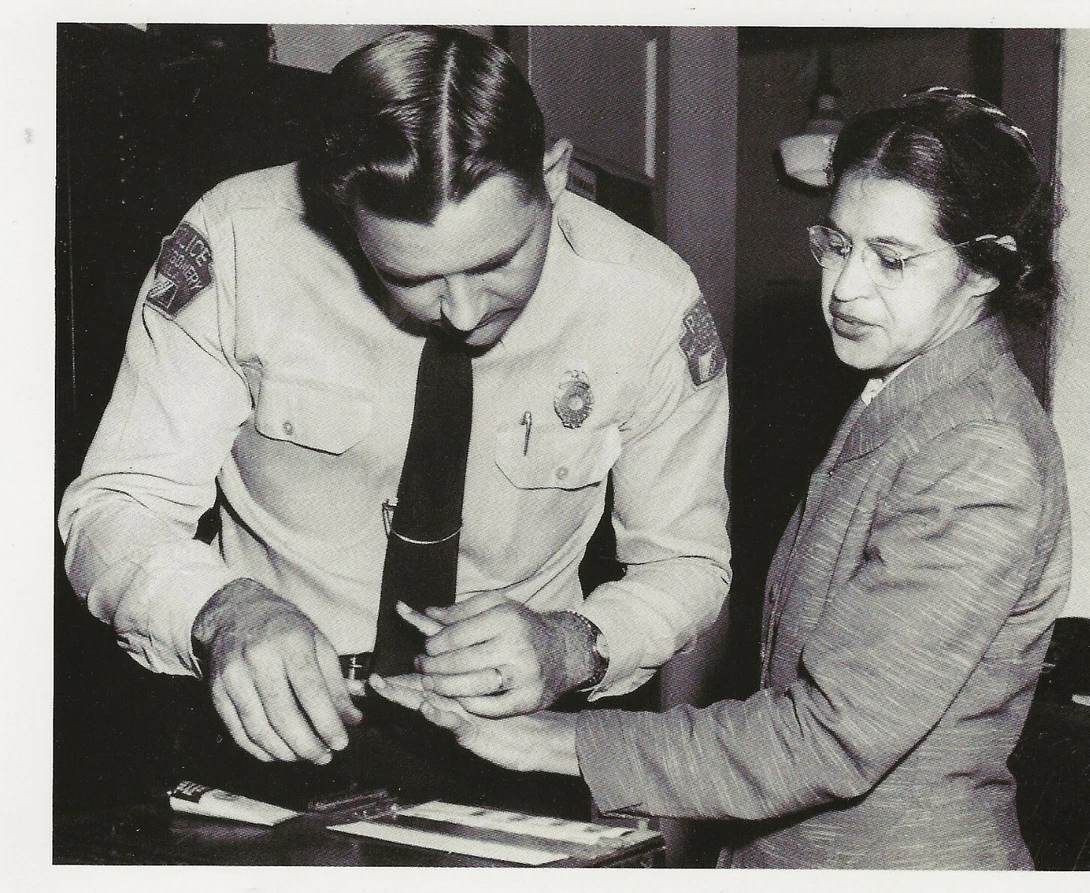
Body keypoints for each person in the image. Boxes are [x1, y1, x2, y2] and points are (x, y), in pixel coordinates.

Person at [373, 87, 1071, 869]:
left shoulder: (977, 449)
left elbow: (830, 736)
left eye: (892, 258)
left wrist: (554, 740)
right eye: (836, 245)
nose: (844, 287)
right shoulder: (909, 399)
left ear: (984, 271)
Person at [58, 26, 730, 801]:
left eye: (498, 259)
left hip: (520, 744)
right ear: (342, 213)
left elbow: (687, 562)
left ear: (553, 173)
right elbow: (116, 505)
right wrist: (222, 611)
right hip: (264, 732)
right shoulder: (239, 242)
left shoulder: (649, 300)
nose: (466, 311)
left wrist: (574, 643)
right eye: (411, 275)